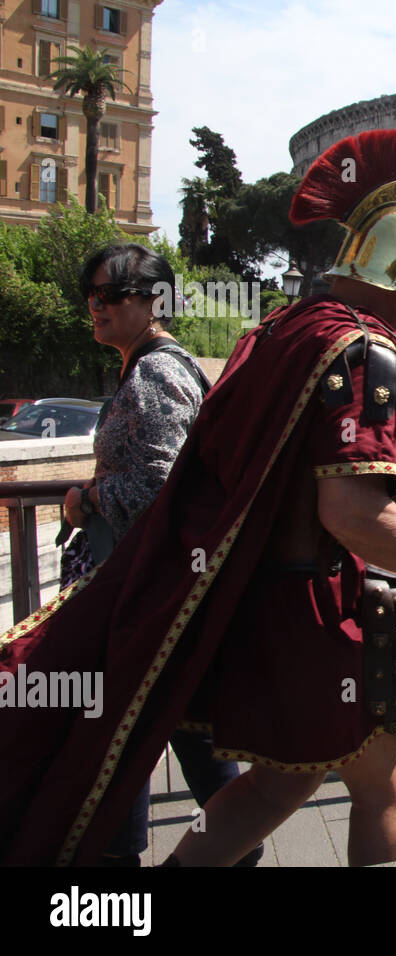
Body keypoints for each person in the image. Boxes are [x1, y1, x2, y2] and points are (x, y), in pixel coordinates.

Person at [0, 129, 396, 866]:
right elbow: (351, 513)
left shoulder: (279, 329)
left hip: (243, 605)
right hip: (313, 619)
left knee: (273, 789)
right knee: (387, 782)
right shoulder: (370, 356)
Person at [59, 243, 253, 867]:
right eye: (91, 295)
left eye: (110, 295)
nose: (96, 305)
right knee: (172, 738)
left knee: (115, 748)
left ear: (154, 302)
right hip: (152, 601)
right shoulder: (143, 367)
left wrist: (89, 496)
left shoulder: (156, 372)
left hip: (145, 604)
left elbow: (163, 487)